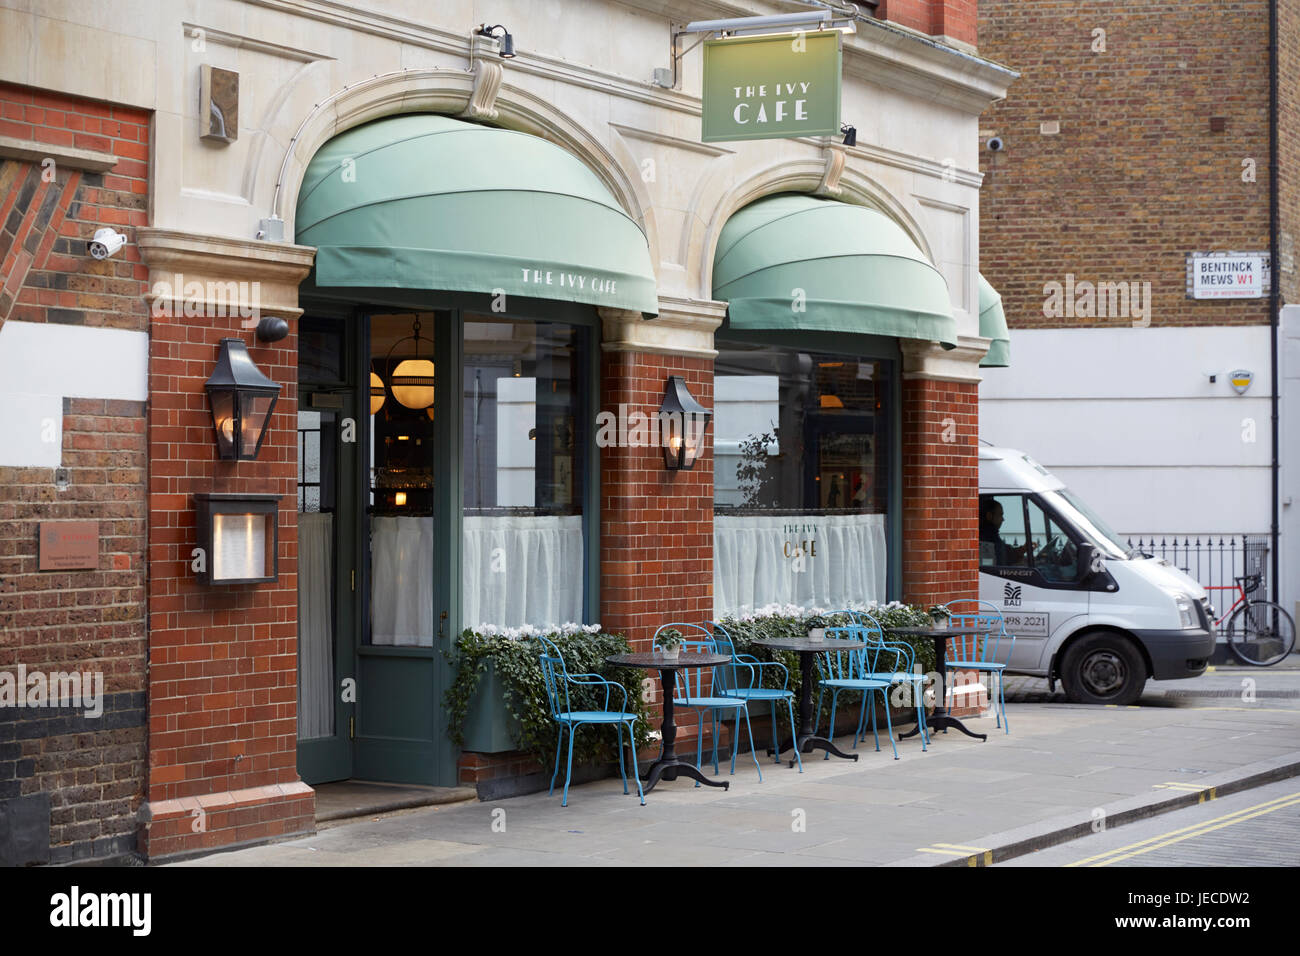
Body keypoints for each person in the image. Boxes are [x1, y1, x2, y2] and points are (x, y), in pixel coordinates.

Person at [979, 496, 1030, 566]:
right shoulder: (986, 536)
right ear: (989, 516)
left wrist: (1022, 550)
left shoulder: (990, 534)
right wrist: (1020, 552)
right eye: (1000, 515)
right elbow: (1002, 555)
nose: (1003, 519)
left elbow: (1004, 552)